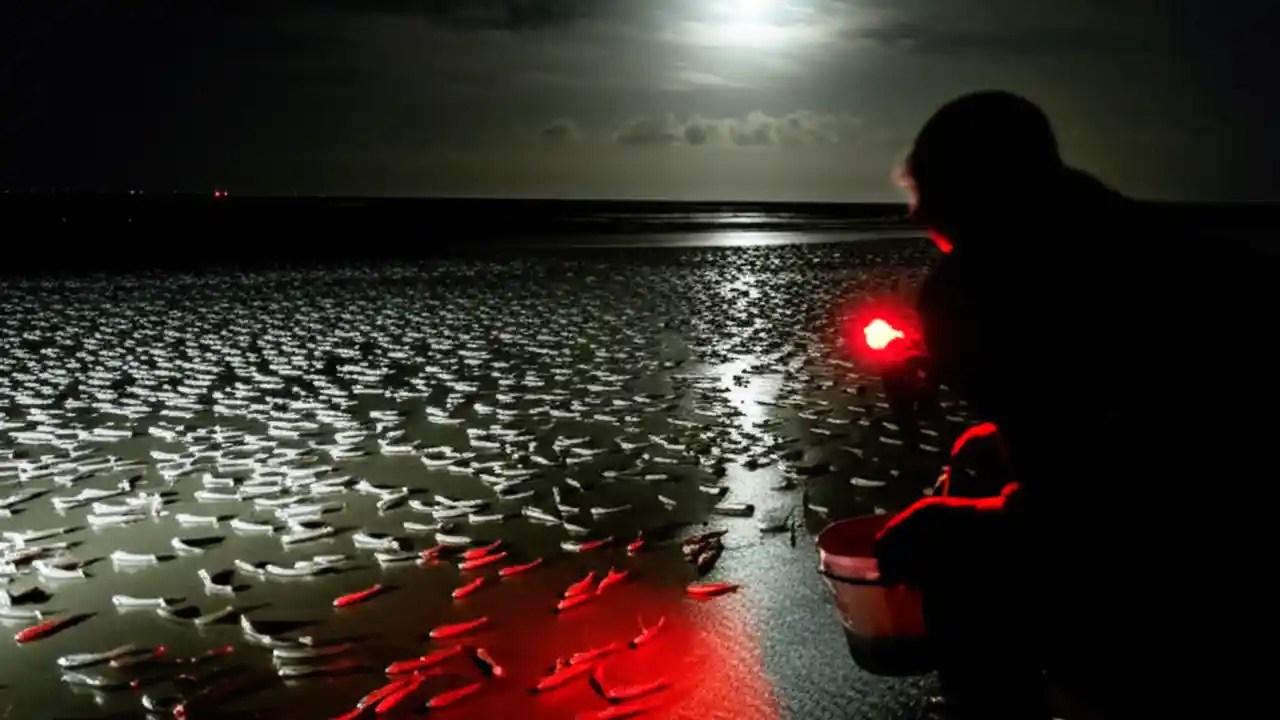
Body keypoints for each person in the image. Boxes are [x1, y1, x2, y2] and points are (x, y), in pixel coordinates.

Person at [872, 91, 1184, 719]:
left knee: (935, 539)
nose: (914, 215)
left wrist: (968, 525)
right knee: (977, 453)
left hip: (1193, 556)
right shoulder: (1138, 239)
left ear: (969, 191)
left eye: (924, 192)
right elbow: (1100, 419)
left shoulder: (976, 289)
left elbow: (1106, 510)